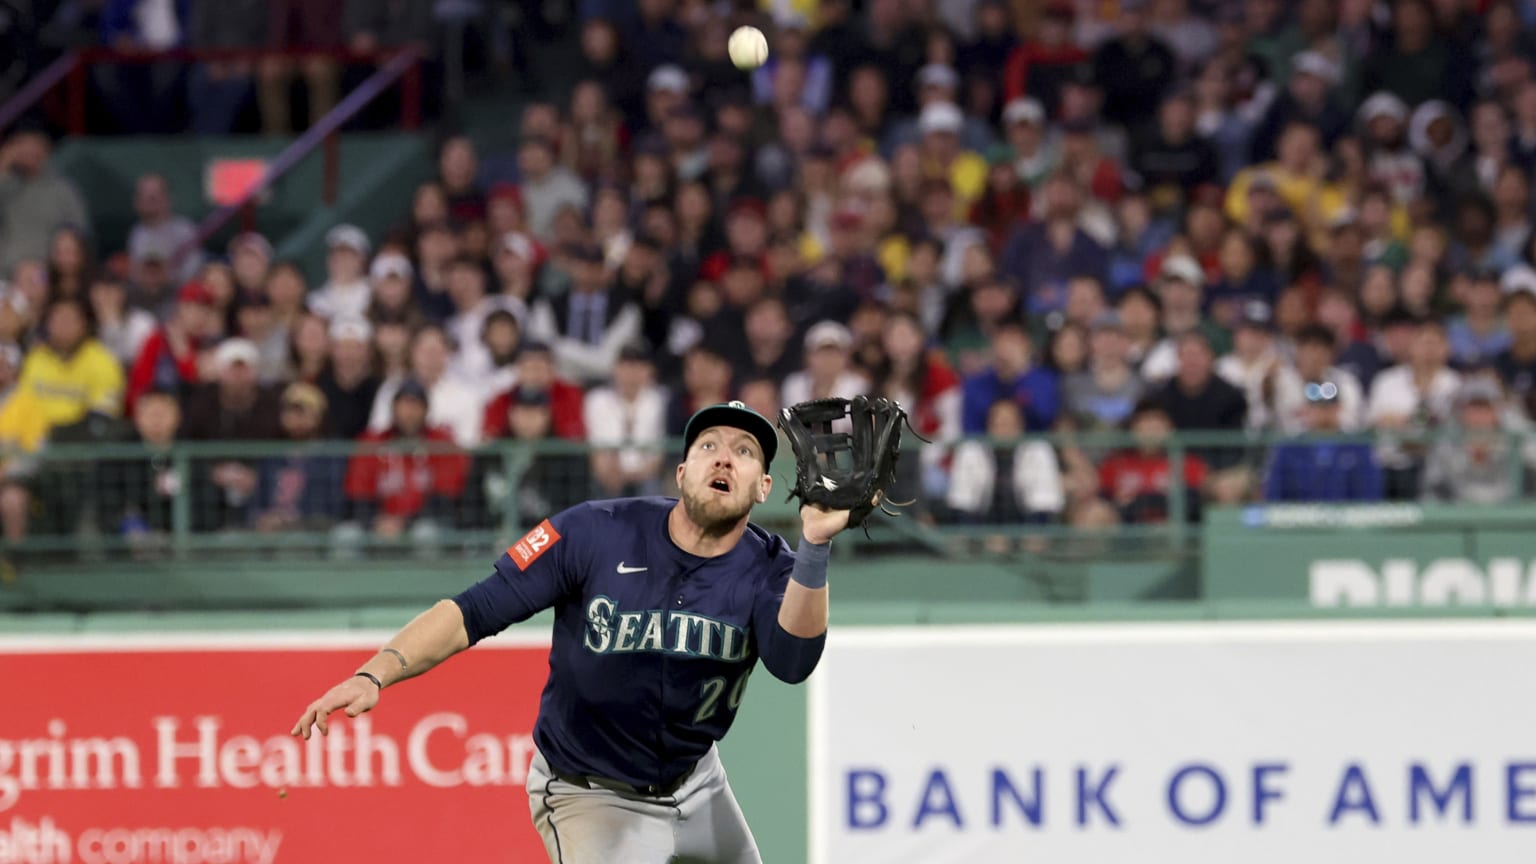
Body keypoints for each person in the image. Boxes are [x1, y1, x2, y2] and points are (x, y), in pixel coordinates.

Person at [292, 401, 855, 863]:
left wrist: (816, 546)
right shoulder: (594, 531)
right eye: (708, 445)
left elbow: (792, 662)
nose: (724, 458)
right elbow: (475, 609)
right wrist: (377, 672)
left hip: (698, 782)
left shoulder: (774, 564)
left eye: (745, 451)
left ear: (762, 487)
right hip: (591, 795)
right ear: (681, 473)